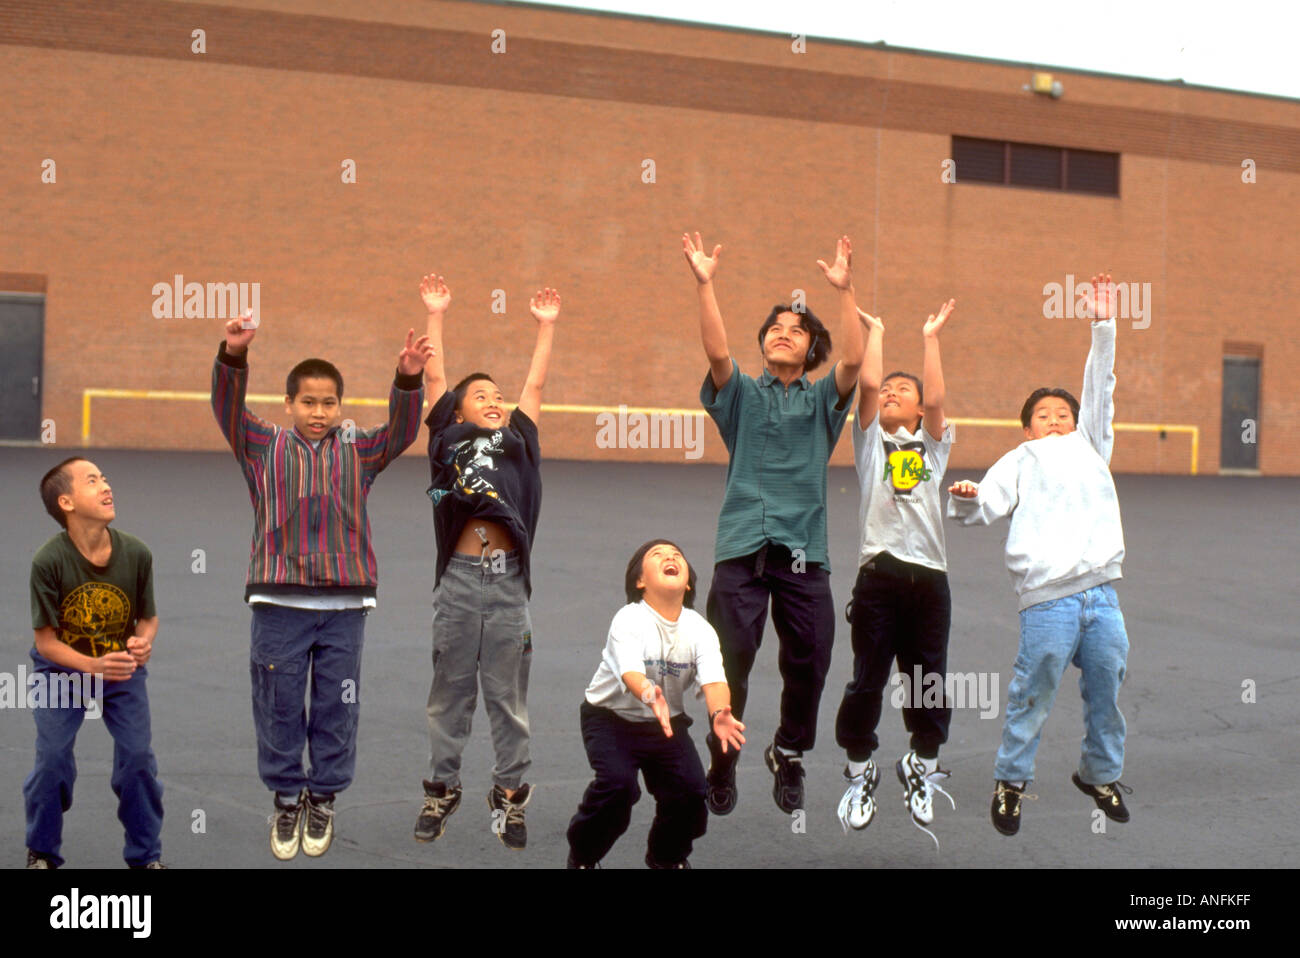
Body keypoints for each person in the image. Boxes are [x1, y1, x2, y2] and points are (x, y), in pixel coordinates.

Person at [211, 310, 430, 860]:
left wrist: (408, 379)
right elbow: (227, 406)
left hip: (344, 605)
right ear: (288, 404)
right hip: (277, 601)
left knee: (337, 705)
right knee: (279, 703)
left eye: (329, 403)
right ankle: (287, 797)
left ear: (340, 407)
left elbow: (403, 431)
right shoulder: (261, 445)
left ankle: (324, 796)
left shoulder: (359, 449)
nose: (318, 412)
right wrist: (233, 354)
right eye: (307, 402)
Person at [683, 232, 863, 816]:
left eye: (797, 330)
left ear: (811, 351)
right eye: (775, 328)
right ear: (762, 343)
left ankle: (788, 750)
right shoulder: (741, 395)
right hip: (741, 548)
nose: (784, 333)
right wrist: (705, 283)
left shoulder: (822, 402)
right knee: (729, 661)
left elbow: (854, 361)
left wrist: (845, 291)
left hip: (805, 553)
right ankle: (723, 757)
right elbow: (717, 353)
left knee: (811, 659)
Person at [947, 274, 1132, 836]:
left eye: (1063, 413)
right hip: (1048, 601)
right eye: (1043, 415)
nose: (1054, 419)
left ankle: (1099, 773)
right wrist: (968, 497)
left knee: (1108, 684)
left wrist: (1103, 322)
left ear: (1078, 423)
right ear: (1026, 429)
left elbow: (1100, 387)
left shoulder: (1090, 444)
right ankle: (1011, 780)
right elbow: (985, 503)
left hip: (1102, 595)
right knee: (1033, 692)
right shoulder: (1020, 460)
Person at [412, 275, 556, 851]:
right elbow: (435, 379)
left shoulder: (520, 440)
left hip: (507, 584)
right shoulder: (446, 441)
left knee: (506, 696)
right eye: (481, 396)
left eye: (498, 395)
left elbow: (535, 384)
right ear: (458, 411)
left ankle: (510, 794)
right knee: (449, 693)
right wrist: (436, 314)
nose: (494, 400)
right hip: (458, 581)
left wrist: (546, 327)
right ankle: (442, 788)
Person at [834, 299, 959, 846]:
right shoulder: (870, 444)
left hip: (929, 580)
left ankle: (921, 764)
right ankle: (860, 769)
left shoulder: (932, 445)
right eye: (888, 389)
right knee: (868, 678)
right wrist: (878, 332)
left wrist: (930, 337)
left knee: (928, 680)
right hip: (879, 579)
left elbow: (936, 400)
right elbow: (866, 384)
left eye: (901, 391)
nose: (890, 393)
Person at [566, 539, 745, 869]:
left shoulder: (700, 630)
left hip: (666, 724)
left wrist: (720, 712)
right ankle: (583, 857)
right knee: (618, 788)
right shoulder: (628, 619)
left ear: (688, 583)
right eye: (658, 554)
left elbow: (714, 681)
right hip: (610, 719)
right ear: (639, 580)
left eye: (677, 555)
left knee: (690, 793)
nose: (670, 557)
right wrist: (649, 693)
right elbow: (631, 672)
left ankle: (666, 859)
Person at [25, 457, 164, 869]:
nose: (106, 486)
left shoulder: (136, 553)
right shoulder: (48, 561)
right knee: (51, 761)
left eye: (104, 478)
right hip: (62, 671)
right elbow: (46, 643)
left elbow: (148, 618)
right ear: (66, 502)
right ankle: (42, 853)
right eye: (92, 481)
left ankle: (145, 857)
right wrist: (90, 666)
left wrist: (142, 642)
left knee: (138, 759)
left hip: (119, 670)